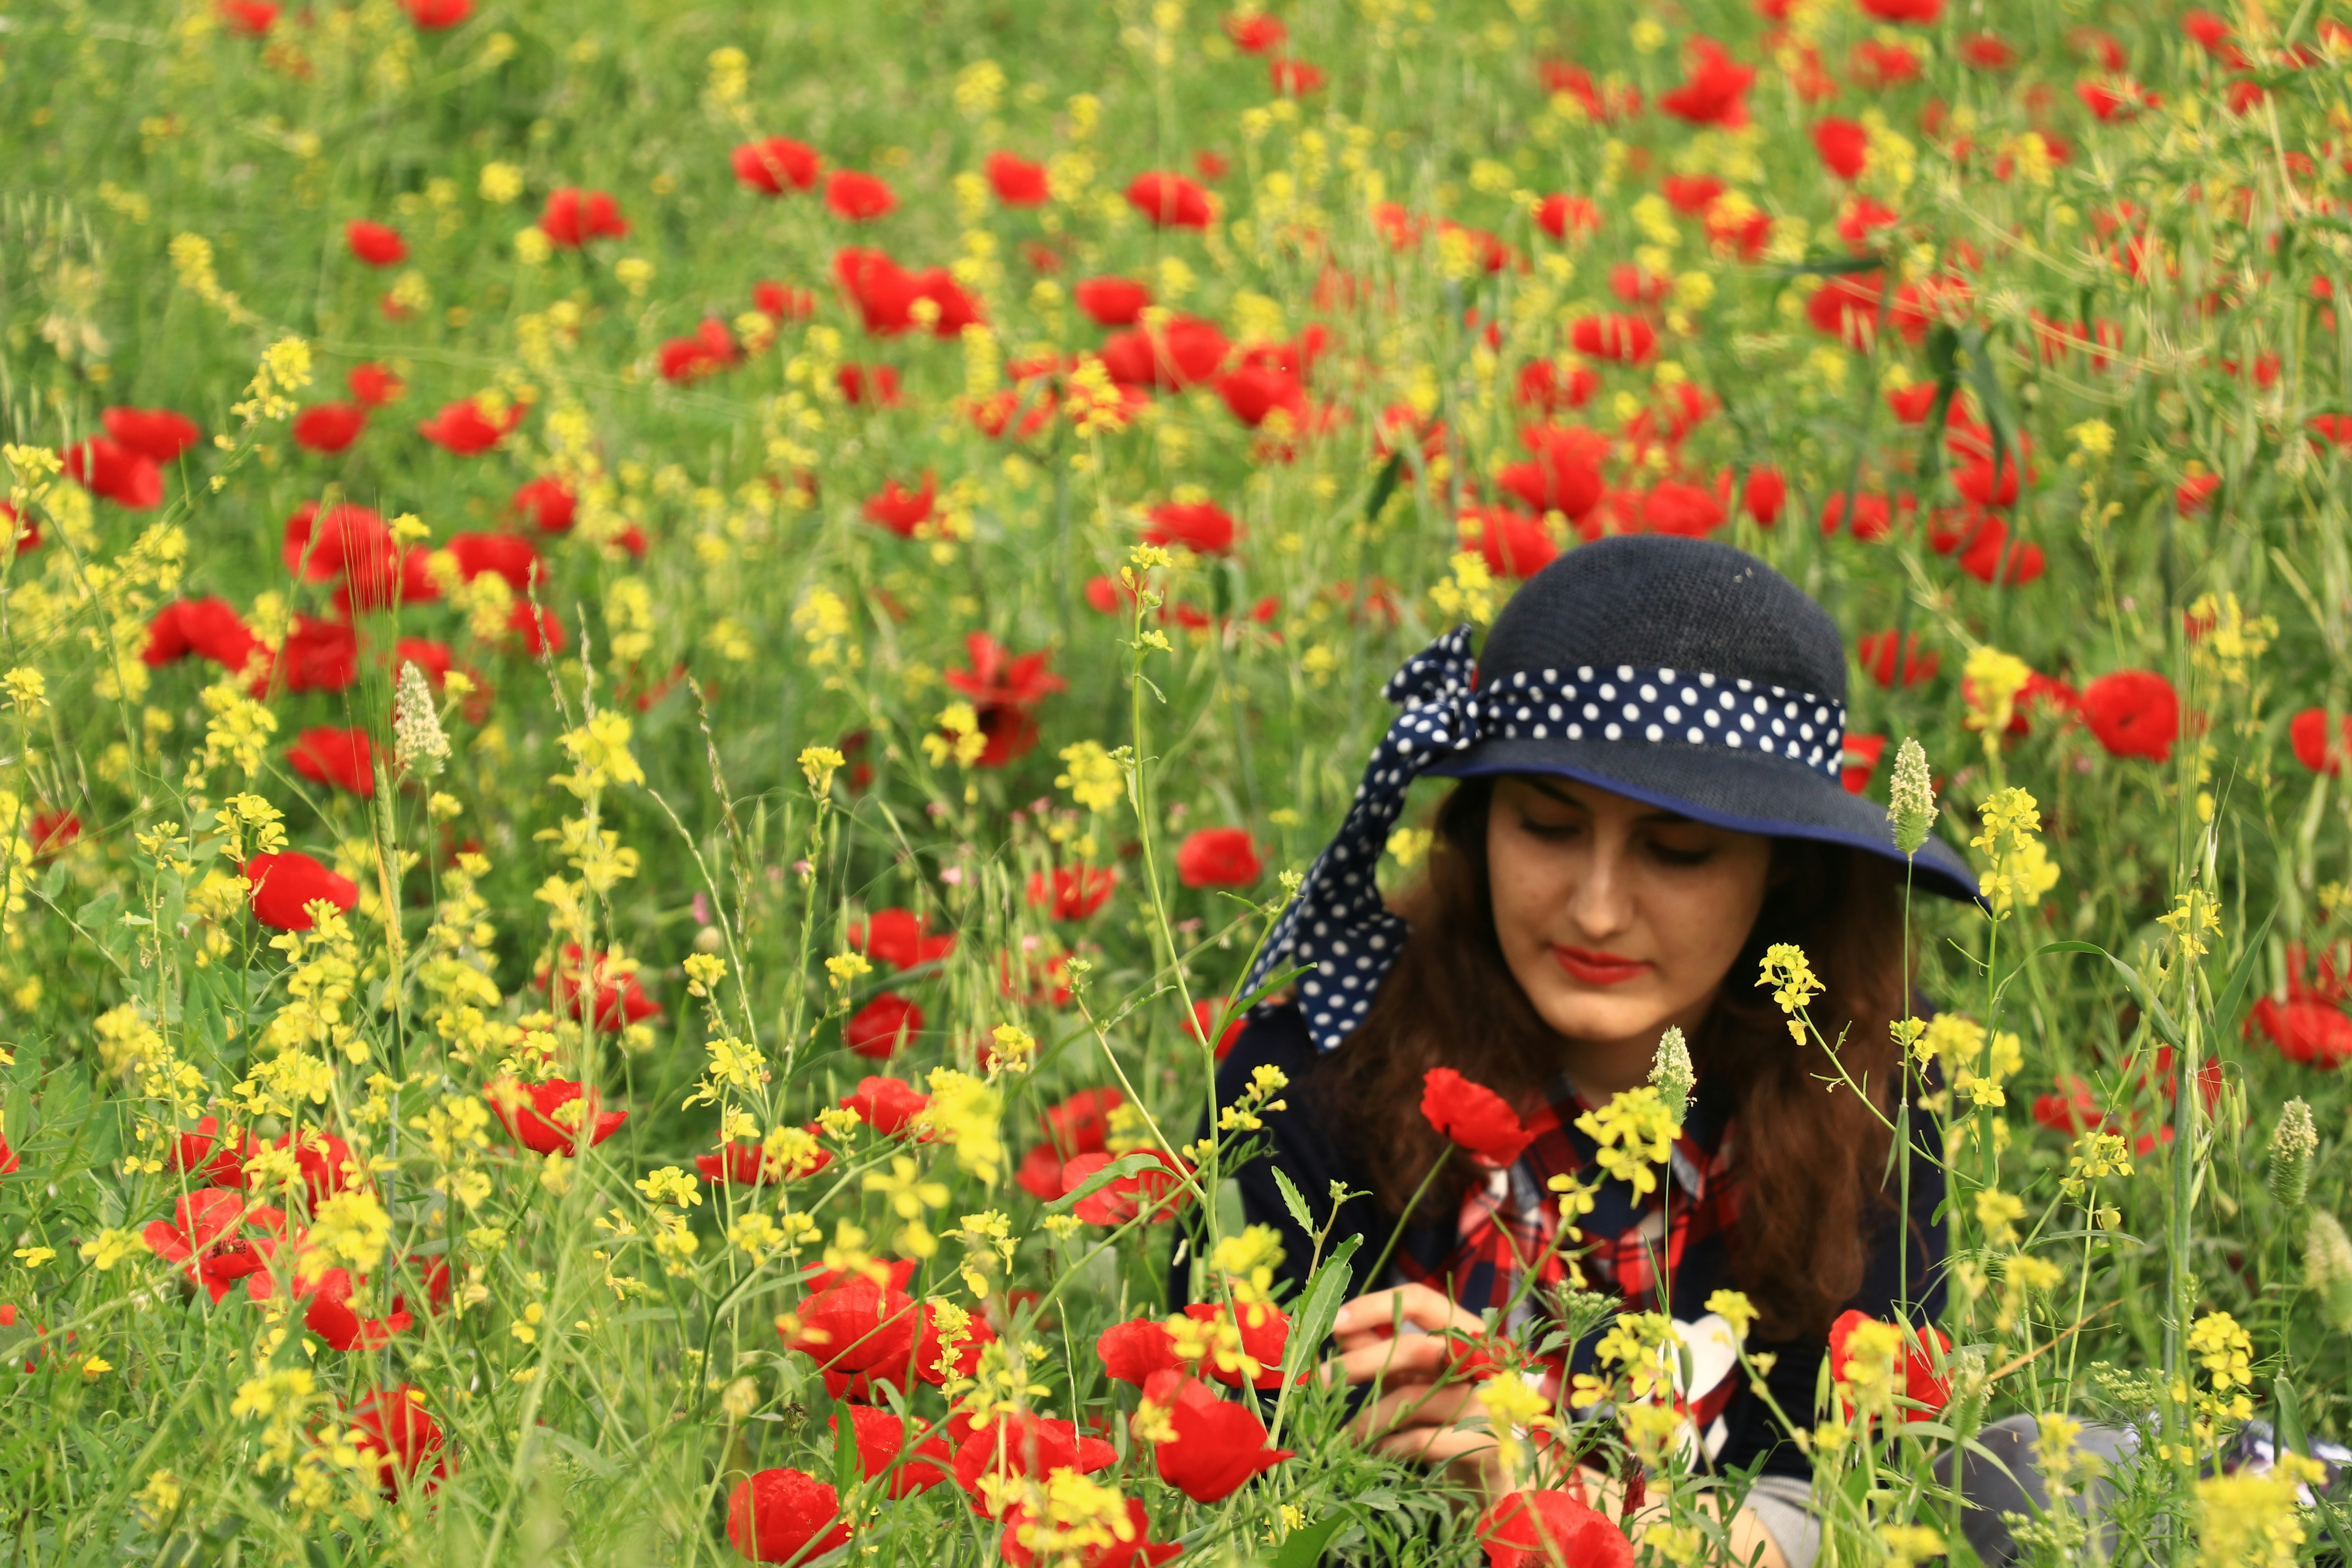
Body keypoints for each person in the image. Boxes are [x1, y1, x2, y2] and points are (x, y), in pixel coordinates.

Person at [1187, 536, 1981, 1566]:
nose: (1596, 909)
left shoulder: (1861, 1081)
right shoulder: (1308, 1072)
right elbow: (1219, 1477)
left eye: (1677, 849)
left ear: (1782, 870)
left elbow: (1854, 1504)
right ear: (1478, 830)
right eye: (1549, 829)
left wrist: (1544, 1488)